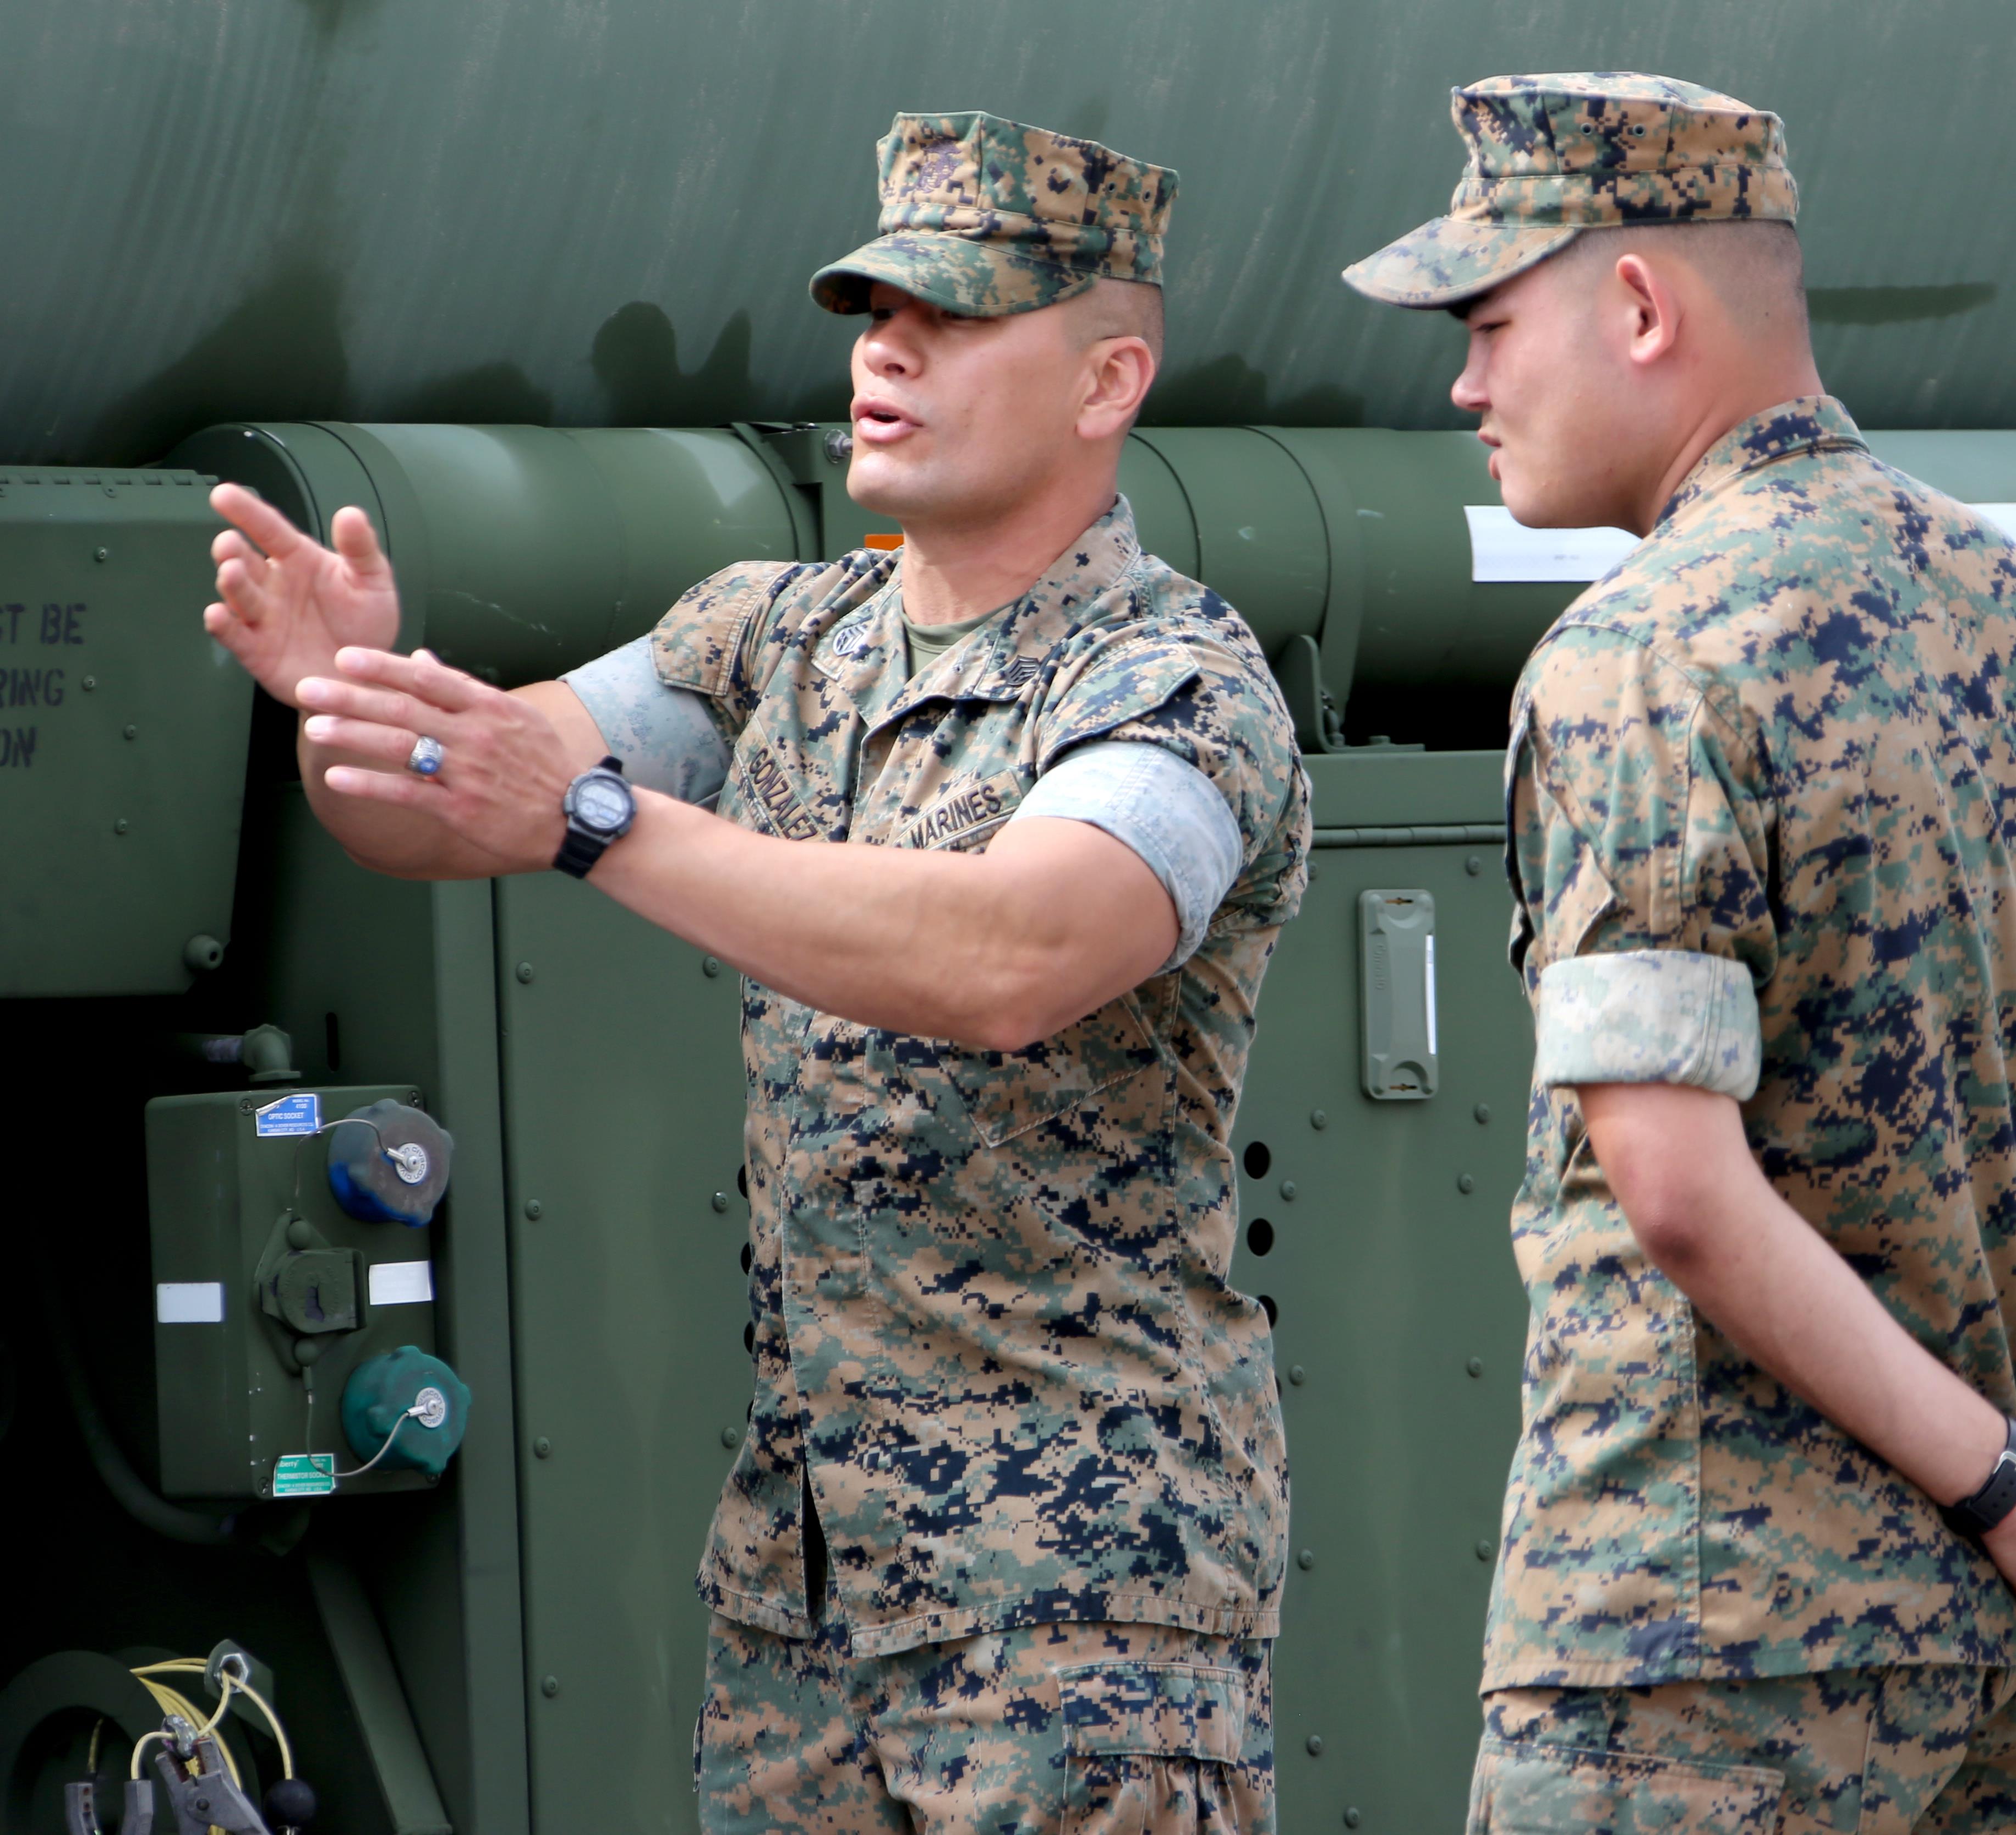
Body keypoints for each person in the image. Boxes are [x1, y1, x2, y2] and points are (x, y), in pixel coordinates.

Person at [203, 111, 1307, 1835]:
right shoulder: (776, 633)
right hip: (805, 1578)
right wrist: (360, 711)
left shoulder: (1171, 683)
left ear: (1107, 382)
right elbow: (450, 819)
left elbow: (1011, 953)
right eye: (875, 312)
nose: (887, 351)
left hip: (1079, 1588)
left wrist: (583, 816)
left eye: (954, 319)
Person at [1344, 73, 2016, 1833]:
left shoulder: (1642, 656)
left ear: (1641, 308)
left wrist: (1995, 1481)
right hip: (2013, 1665)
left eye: (1491, 324)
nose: (1462, 384)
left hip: (1702, 1660)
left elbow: (1672, 1186)